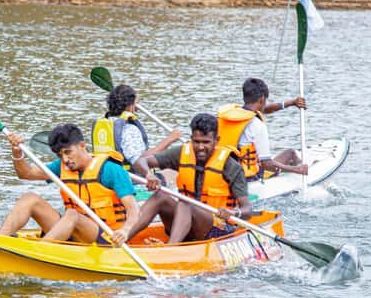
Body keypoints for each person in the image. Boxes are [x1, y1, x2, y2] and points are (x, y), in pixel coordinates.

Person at [0, 123, 140, 246]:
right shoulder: (62, 167)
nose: (65, 159)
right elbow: (26, 173)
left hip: (106, 237)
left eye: (68, 152)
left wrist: (125, 230)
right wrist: (17, 152)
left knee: (72, 214)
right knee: (30, 199)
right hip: (72, 232)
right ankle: (1, 241)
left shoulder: (111, 170)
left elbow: (133, 209)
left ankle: (39, 250)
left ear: (82, 146)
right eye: (60, 155)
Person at [128, 113, 252, 244]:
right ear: (191, 138)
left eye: (206, 142)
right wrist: (148, 174)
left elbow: (248, 210)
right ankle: (122, 238)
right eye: (196, 142)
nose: (200, 147)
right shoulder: (181, 153)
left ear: (217, 140)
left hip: (219, 228)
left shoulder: (231, 166)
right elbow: (140, 162)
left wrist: (234, 212)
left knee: (185, 202)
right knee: (161, 196)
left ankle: (170, 249)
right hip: (185, 223)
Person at [216, 77, 308, 180]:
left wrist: (290, 103)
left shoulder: (230, 114)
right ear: (262, 99)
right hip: (248, 177)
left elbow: (265, 109)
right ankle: (303, 171)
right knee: (290, 153)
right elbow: (266, 164)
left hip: (224, 173)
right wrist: (296, 169)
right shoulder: (257, 125)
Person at [91, 84, 182, 171]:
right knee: (172, 172)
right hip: (131, 180)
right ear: (130, 105)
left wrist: (132, 106)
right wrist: (170, 139)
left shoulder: (105, 125)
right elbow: (141, 161)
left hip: (106, 175)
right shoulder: (128, 129)